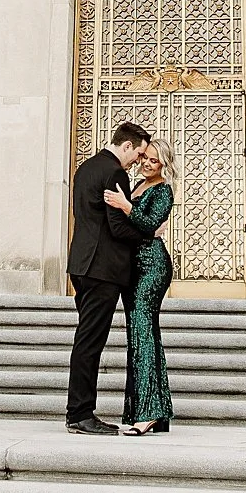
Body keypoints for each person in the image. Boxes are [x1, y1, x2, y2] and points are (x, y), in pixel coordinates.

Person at [64, 119, 153, 435]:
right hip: (102, 269)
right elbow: (117, 226)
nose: (138, 162)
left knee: (86, 339)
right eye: (138, 154)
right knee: (90, 342)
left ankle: (78, 412)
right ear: (127, 145)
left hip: (81, 265)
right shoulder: (115, 173)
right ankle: (80, 414)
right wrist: (148, 233)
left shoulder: (85, 168)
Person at [104, 136, 175, 435]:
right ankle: (155, 411)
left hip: (152, 268)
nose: (146, 163)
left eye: (154, 161)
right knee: (141, 335)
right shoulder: (138, 186)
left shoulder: (163, 190)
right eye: (145, 157)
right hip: (132, 268)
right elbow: (141, 227)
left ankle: (147, 415)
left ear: (164, 165)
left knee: (142, 334)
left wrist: (125, 206)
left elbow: (149, 224)